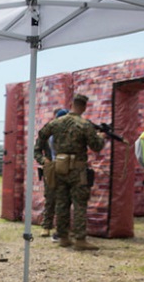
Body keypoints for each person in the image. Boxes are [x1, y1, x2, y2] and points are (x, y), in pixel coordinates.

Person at [34, 93, 106, 251]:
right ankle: (80, 239)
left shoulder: (56, 123)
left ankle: (63, 237)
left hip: (60, 168)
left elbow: (40, 137)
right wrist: (102, 137)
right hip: (77, 170)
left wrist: (41, 159)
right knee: (79, 203)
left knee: (61, 203)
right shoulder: (84, 124)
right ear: (84, 107)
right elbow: (96, 146)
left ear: (71, 104)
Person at [34, 107, 68, 240]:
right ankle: (46, 226)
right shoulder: (46, 133)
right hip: (51, 168)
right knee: (50, 198)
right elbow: (36, 151)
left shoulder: (68, 134)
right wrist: (44, 160)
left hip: (65, 168)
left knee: (64, 199)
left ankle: (61, 229)